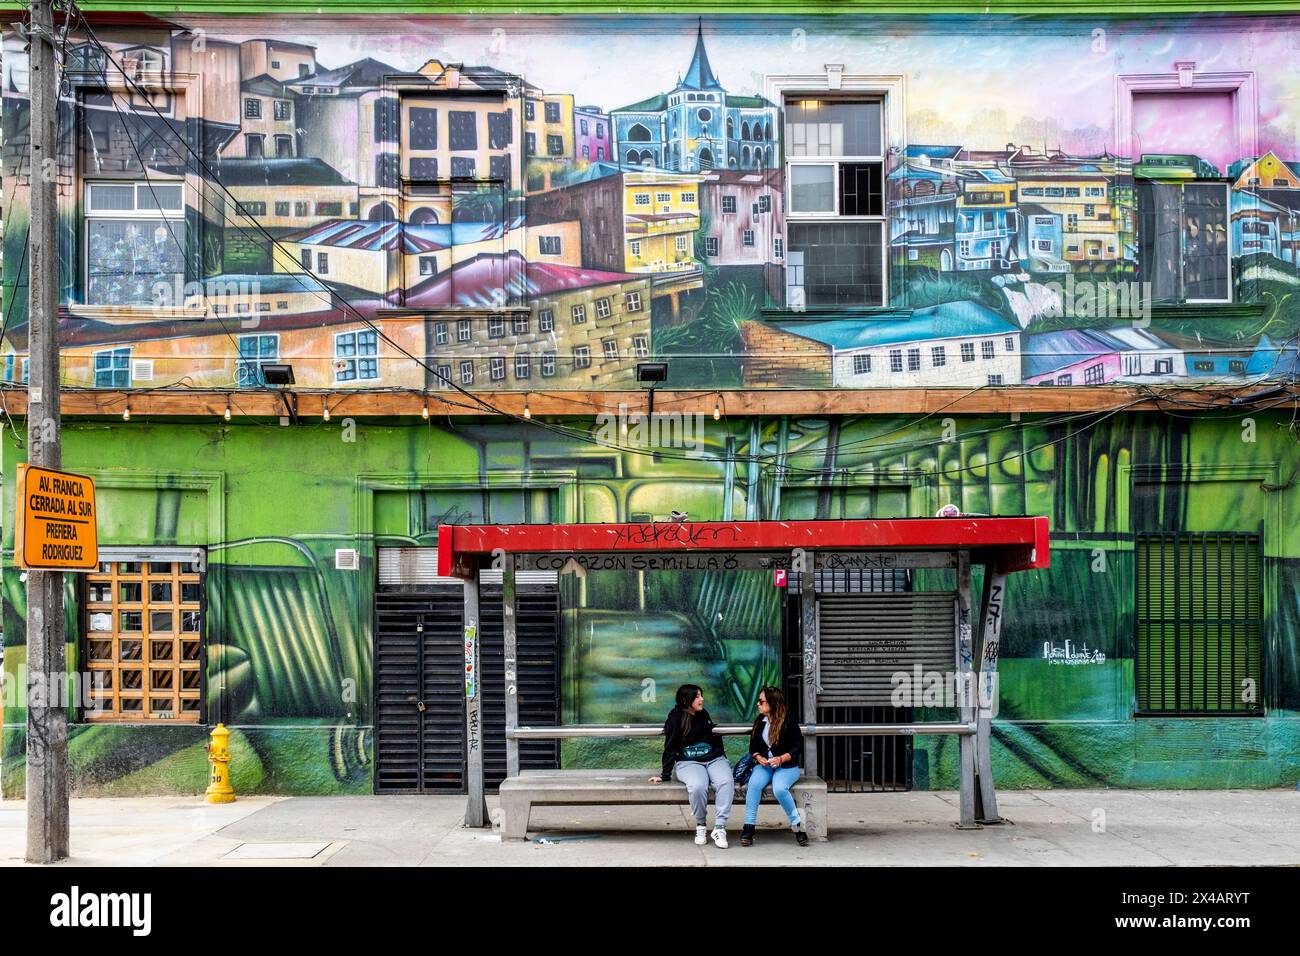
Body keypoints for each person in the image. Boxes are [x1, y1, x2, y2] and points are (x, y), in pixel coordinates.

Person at [650, 684, 733, 848]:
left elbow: (714, 737)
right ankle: (701, 825)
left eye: (701, 695)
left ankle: (719, 827)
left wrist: (722, 757)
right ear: (685, 700)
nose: (701, 699)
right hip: (688, 762)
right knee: (697, 786)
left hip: (714, 759)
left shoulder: (703, 714)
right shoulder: (675, 718)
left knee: (726, 782)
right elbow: (670, 746)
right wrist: (665, 774)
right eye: (697, 696)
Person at [740, 686, 808, 846]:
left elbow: (798, 747)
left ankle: (797, 825)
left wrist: (781, 758)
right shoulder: (760, 721)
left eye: (761, 701)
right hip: (765, 766)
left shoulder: (788, 720)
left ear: (773, 702)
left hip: (787, 767)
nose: (758, 704)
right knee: (754, 785)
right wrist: (759, 757)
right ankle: (748, 826)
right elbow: (753, 747)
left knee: (779, 789)